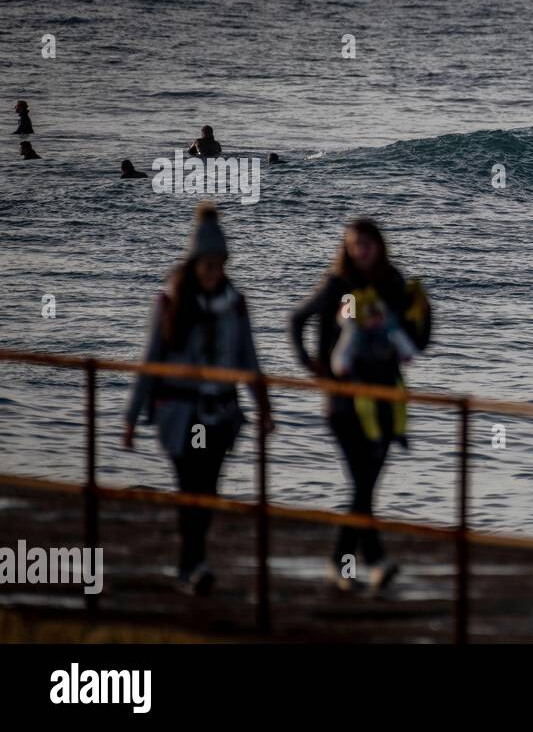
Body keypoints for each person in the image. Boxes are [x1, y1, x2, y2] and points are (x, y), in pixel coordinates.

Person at [124, 202, 273, 595]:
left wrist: (265, 408)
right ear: (193, 265)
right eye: (205, 265)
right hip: (181, 413)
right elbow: (150, 360)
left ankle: (193, 562)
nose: (212, 273)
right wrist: (131, 416)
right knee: (191, 484)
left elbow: (250, 359)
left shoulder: (235, 305)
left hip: (220, 414)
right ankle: (193, 564)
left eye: (218, 265)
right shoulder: (170, 304)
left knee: (206, 489)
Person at [290, 218, 431, 592]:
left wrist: (425, 312)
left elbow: (415, 341)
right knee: (362, 485)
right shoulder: (337, 285)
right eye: (354, 245)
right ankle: (356, 563)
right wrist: (312, 367)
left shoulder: (393, 283)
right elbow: (297, 319)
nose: (361, 251)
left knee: (365, 486)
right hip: (344, 401)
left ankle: (364, 562)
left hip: (386, 398)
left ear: (379, 246)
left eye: (367, 244)